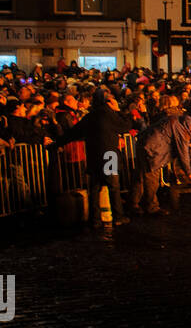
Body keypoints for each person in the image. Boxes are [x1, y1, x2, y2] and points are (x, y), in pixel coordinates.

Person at [53, 89, 132, 226]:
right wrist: (118, 110)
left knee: (94, 188)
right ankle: (118, 216)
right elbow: (126, 126)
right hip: (109, 155)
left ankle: (95, 219)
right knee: (113, 186)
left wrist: (56, 144)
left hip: (93, 155)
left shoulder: (90, 116)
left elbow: (73, 133)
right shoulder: (110, 115)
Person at [130, 96, 191, 216]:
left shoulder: (174, 120)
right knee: (152, 179)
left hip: (144, 145)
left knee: (140, 176)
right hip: (152, 150)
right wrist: (189, 172)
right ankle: (151, 206)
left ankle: (134, 203)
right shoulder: (179, 127)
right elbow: (182, 151)